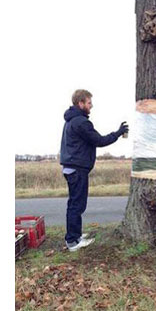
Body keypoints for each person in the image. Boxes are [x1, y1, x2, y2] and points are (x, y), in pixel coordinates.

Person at [59, 89, 128, 252]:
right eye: (89, 102)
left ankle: (75, 236)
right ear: (80, 103)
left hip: (72, 167)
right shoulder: (81, 122)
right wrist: (117, 133)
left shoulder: (71, 120)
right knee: (77, 205)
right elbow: (99, 140)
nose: (92, 106)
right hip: (77, 169)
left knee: (75, 204)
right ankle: (73, 241)